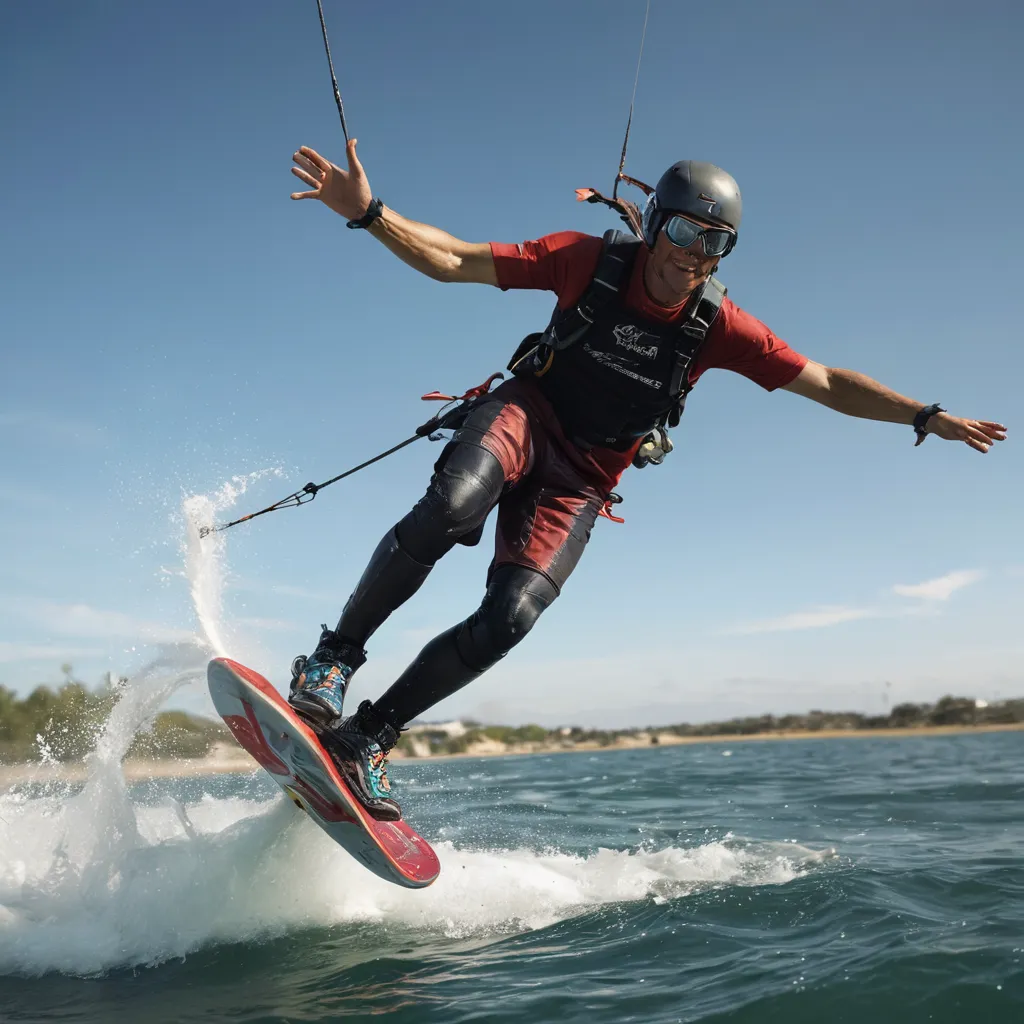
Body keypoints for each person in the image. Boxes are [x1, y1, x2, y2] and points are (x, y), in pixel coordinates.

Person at [284, 139, 1007, 822]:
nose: (695, 256)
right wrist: (371, 215)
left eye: (715, 244)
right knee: (452, 504)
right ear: (657, 225)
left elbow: (823, 382)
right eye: (687, 234)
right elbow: (453, 260)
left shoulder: (720, 326)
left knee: (511, 618)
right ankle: (331, 661)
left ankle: (368, 738)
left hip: (584, 477)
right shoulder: (584, 260)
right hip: (527, 416)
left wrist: (923, 413)